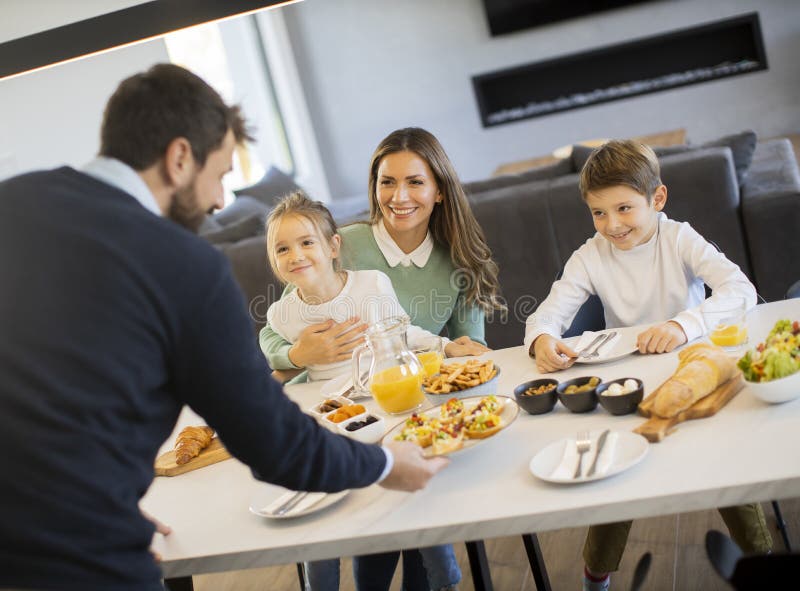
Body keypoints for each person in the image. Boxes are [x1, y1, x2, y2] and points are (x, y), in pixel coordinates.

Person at [0, 64, 448, 591]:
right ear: (180, 157)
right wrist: (383, 464)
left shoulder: (11, 203)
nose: (218, 200)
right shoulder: (183, 265)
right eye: (220, 176)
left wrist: (96, 499)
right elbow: (274, 443)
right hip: (79, 562)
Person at [260, 127, 505, 590]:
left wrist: (452, 351)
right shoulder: (343, 242)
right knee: (372, 511)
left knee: (409, 508)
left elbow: (465, 358)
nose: (399, 196)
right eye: (386, 182)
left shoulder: (462, 260)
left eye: (414, 181)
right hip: (336, 411)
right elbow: (281, 328)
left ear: (439, 190)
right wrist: (296, 354)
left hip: (404, 404)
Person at [523, 139, 773, 591]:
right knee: (617, 480)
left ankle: (763, 564)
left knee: (729, 470)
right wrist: (540, 337)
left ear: (656, 199)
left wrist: (683, 324)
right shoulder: (590, 255)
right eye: (599, 213)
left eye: (624, 209)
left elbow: (740, 290)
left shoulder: (678, 238)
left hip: (695, 369)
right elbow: (548, 312)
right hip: (630, 381)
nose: (612, 225)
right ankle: (595, 578)